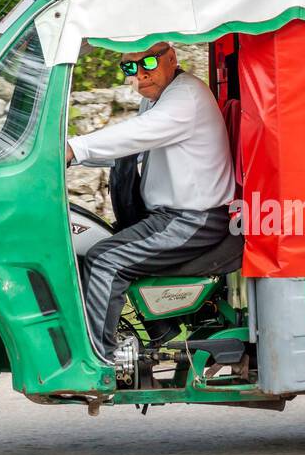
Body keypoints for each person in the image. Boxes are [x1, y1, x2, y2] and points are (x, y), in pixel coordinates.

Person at [65, 42, 234, 362]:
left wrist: (76, 148)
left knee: (105, 260)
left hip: (192, 220)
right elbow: (130, 147)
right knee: (93, 244)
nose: (140, 74)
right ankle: (159, 330)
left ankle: (97, 363)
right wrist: (67, 155)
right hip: (174, 216)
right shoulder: (161, 98)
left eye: (149, 63)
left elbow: (138, 134)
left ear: (171, 58)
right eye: (130, 67)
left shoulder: (185, 97)